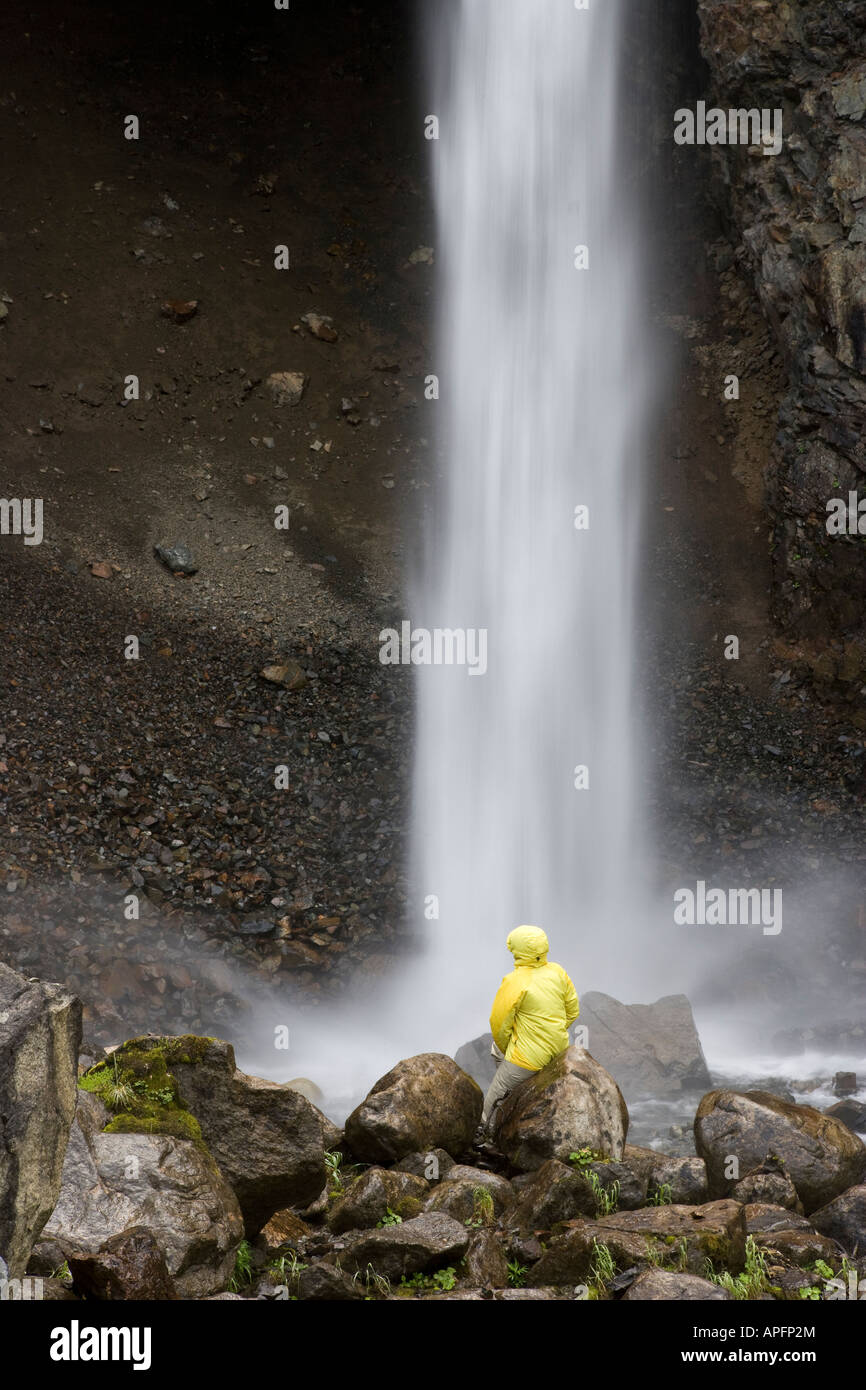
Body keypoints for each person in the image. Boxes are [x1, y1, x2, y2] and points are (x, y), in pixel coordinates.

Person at [480, 924, 580, 1135]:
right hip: (559, 1050)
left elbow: (498, 1023)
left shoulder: (514, 981)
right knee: (496, 1050)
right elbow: (573, 1010)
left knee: (493, 1097)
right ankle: (518, 1097)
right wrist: (552, 1033)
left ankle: (484, 1136)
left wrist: (512, 1050)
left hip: (528, 1058)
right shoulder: (557, 971)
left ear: (518, 951)